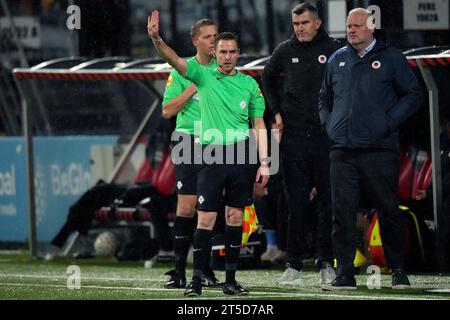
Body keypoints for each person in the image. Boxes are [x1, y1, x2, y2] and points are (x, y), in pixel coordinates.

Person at [148, 10, 270, 296]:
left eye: (231, 52)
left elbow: (259, 124)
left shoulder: (250, 84)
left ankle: (230, 281)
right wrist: (156, 39)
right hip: (209, 154)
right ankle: (194, 281)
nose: (227, 56)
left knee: (235, 217)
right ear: (214, 53)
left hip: (241, 156)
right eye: (222, 51)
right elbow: (173, 60)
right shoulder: (201, 76)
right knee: (203, 218)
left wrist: (265, 162)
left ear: (239, 54)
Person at [319, 8, 422, 290]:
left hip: (379, 149)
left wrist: (388, 122)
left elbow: (414, 94)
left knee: (387, 209)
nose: (351, 30)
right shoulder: (337, 59)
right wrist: (330, 125)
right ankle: (345, 273)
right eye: (348, 26)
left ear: (371, 27)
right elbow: (324, 98)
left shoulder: (391, 58)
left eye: (357, 26)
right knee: (341, 213)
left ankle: (399, 270)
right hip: (342, 149)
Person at [261, 3, 341, 286]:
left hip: (325, 139)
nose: (300, 28)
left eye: (305, 23)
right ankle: (293, 264)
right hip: (293, 139)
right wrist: (277, 113)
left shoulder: (334, 50)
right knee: (295, 204)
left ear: (317, 23)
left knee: (328, 203)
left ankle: (326, 262)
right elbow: (266, 79)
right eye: (296, 24)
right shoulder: (285, 50)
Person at [160, 19, 223, 289]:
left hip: (217, 143)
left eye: (216, 35)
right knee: (186, 207)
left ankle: (204, 269)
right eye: (208, 36)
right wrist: (193, 88)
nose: (213, 40)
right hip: (188, 141)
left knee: (209, 209)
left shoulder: (226, 70)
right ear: (195, 41)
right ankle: (178, 271)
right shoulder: (183, 70)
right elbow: (167, 110)